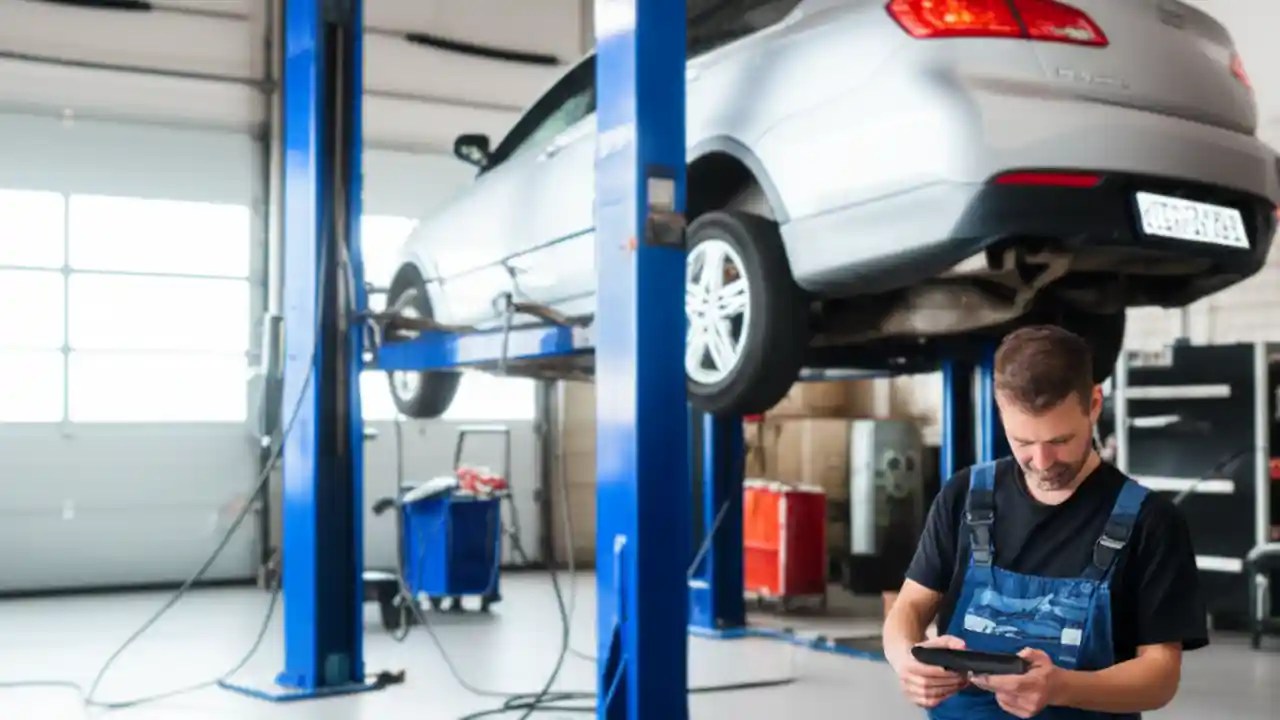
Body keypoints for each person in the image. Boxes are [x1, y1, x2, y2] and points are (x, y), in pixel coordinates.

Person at [882, 324, 1208, 719]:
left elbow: (1160, 676)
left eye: (1059, 441)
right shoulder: (964, 495)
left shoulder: (1151, 522)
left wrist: (1063, 687)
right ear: (1001, 410)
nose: (1041, 461)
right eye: (1022, 442)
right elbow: (911, 605)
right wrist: (906, 659)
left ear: (1093, 403)